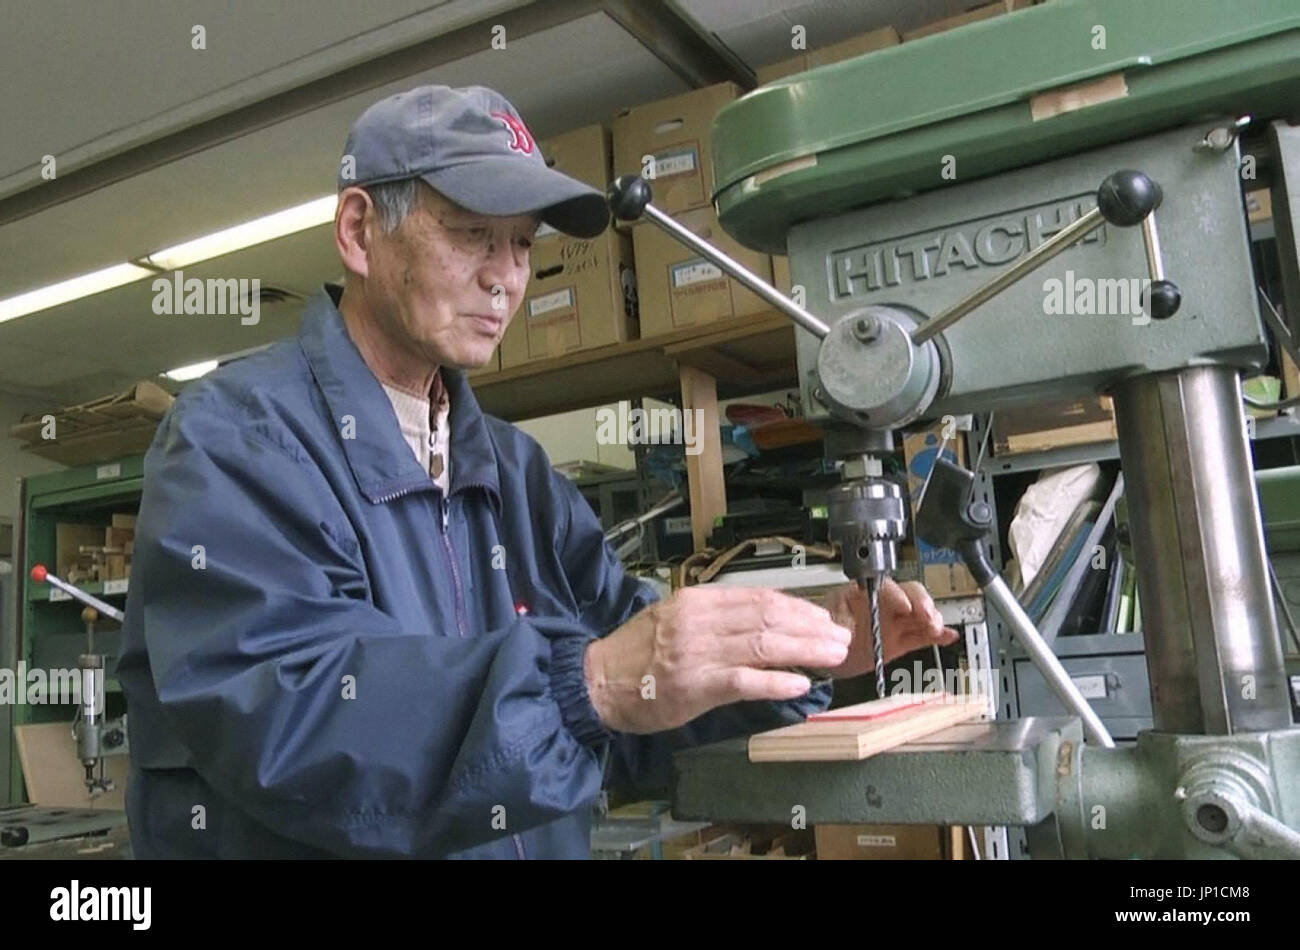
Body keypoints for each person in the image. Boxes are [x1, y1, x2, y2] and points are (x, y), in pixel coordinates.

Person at [117, 84, 957, 858]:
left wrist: (800, 656)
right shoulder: (238, 440)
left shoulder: (515, 474)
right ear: (358, 230)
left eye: (521, 243)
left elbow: (638, 704)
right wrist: (583, 685)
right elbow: (293, 715)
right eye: (472, 232)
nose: (507, 276)